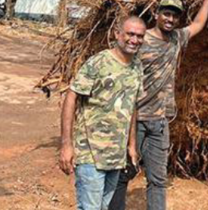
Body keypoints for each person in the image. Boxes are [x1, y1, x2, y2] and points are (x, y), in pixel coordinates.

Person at [108, 0, 208, 210]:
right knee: (124, 173)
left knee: (158, 179)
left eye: (175, 16)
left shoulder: (177, 38)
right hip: (134, 120)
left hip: (159, 122)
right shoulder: (140, 40)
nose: (170, 19)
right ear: (156, 14)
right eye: (166, 13)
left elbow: (198, 24)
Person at [60, 17, 146, 210]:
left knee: (103, 207)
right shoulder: (99, 62)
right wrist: (66, 144)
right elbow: (71, 96)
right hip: (91, 152)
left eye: (139, 36)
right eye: (130, 34)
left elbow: (131, 106)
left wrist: (132, 146)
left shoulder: (137, 67)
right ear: (118, 34)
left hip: (115, 155)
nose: (134, 40)